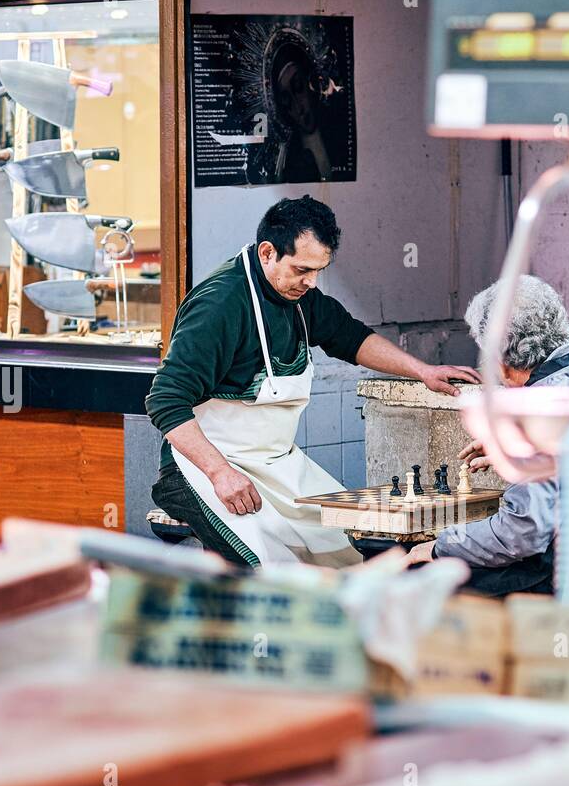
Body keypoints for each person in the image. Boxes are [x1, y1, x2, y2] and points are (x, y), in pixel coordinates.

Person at [147, 196, 478, 568]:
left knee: (354, 545)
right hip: (202, 469)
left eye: (319, 270)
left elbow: (350, 337)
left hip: (278, 466)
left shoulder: (300, 297)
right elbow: (165, 400)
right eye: (302, 269)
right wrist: (220, 473)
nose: (310, 282)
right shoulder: (220, 304)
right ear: (268, 252)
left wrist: (422, 371)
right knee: (268, 567)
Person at [405, 274, 569, 595]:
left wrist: (439, 546)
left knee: (419, 573)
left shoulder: (536, 411)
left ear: (502, 363)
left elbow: (522, 535)